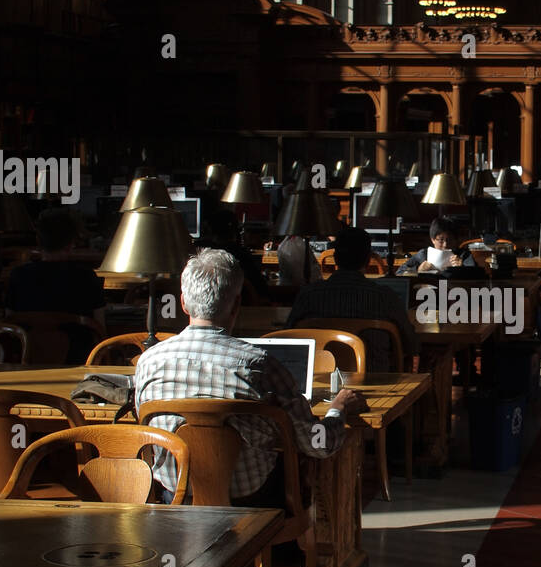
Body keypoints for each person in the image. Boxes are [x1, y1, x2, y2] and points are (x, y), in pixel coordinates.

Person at [135, 248, 361, 505]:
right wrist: (337, 410)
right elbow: (317, 444)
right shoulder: (261, 366)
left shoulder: (148, 362)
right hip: (250, 505)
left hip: (173, 500)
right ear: (236, 304)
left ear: (184, 302)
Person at [288, 225, 418, 372]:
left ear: (335, 258)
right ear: (368, 260)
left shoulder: (308, 295)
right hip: (375, 381)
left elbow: (288, 337)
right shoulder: (385, 297)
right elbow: (411, 345)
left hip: (319, 379)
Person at [7, 207, 107, 331]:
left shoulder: (18, 275)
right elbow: (100, 327)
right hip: (78, 349)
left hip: (30, 349)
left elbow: (10, 324)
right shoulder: (87, 277)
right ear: (71, 243)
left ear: (38, 240)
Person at [196, 207, 272, 303]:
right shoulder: (241, 256)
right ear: (235, 231)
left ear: (210, 231)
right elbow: (263, 291)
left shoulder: (201, 256)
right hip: (245, 311)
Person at [397, 217, 473, 275]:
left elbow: (478, 276)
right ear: (432, 239)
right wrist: (418, 270)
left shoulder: (464, 255)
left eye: (450, 240)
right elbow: (399, 272)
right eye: (441, 240)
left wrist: (462, 268)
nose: (445, 245)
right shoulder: (424, 254)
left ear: (456, 239)